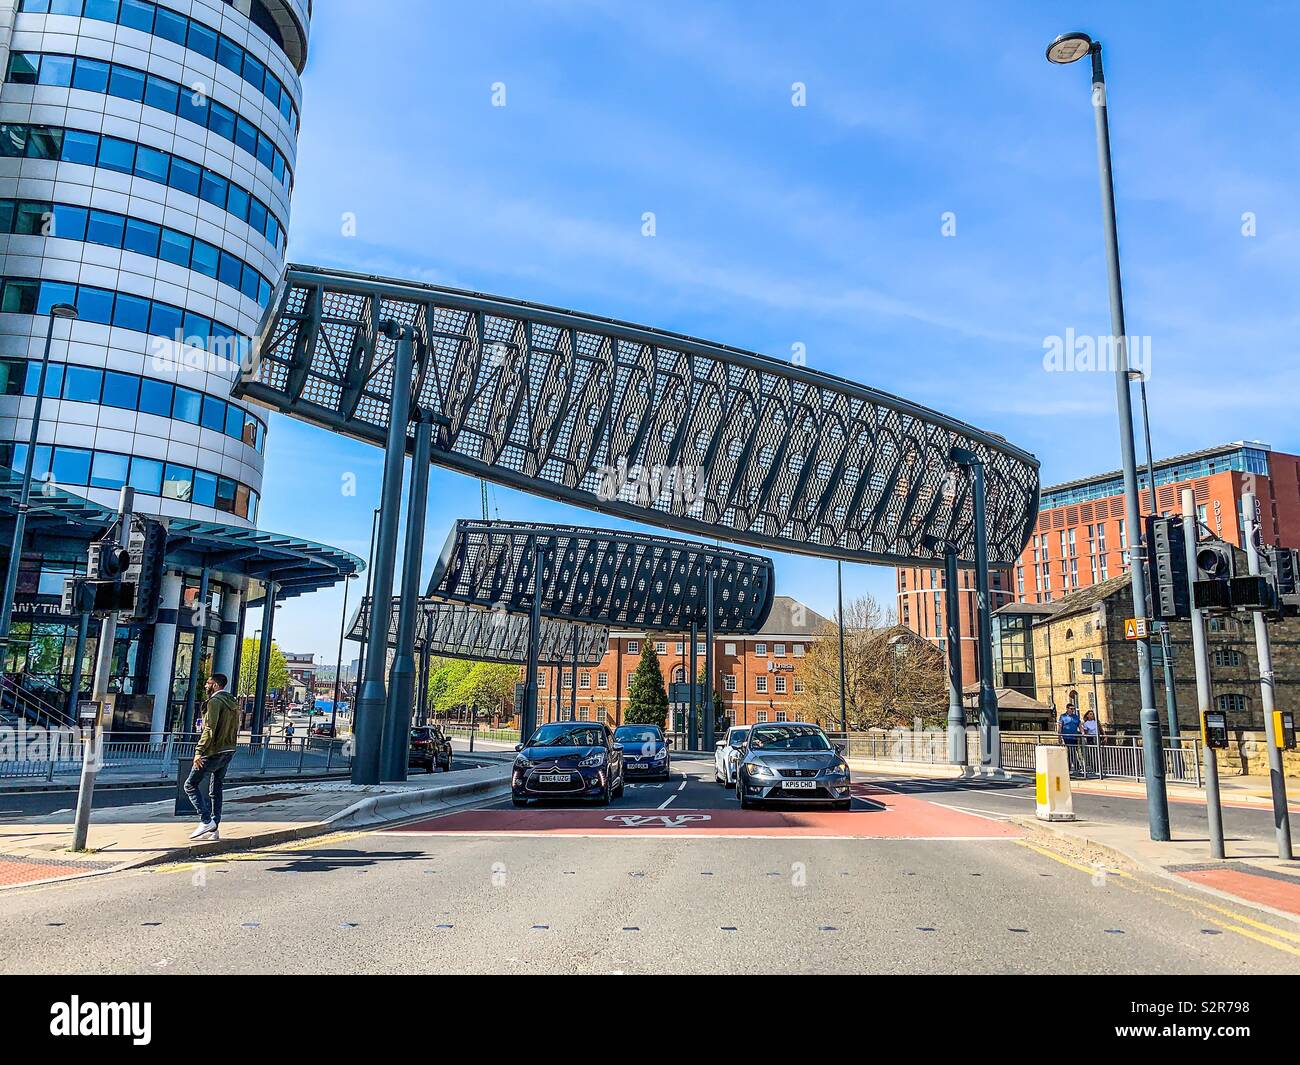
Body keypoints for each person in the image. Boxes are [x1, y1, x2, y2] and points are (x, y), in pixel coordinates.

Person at [185, 672, 239, 842]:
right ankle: (214, 827)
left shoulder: (215, 702)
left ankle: (206, 820)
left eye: (208, 683)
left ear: (215, 685)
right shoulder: (232, 702)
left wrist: (199, 751)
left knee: (190, 785)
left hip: (213, 751)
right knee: (216, 788)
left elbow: (209, 728)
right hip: (228, 749)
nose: (206, 686)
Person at [1058, 703, 1082, 773]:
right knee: (1070, 751)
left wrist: (1082, 733)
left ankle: (1075, 767)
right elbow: (1060, 727)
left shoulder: (1076, 717)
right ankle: (1071, 767)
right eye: (1071, 709)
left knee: (1074, 751)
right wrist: (1059, 737)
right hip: (1067, 737)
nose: (1073, 710)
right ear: (1067, 709)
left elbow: (1080, 725)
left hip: (1075, 737)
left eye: (1073, 709)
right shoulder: (1063, 716)